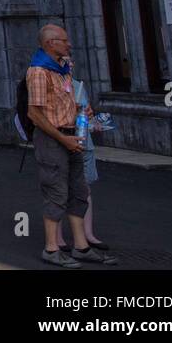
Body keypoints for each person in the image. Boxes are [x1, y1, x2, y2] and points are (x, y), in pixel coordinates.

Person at [27, 24, 118, 268]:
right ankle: (51, 247)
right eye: (64, 41)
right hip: (53, 139)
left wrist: (81, 110)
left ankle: (81, 246)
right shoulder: (39, 71)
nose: (69, 44)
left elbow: (63, 101)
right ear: (50, 44)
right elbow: (34, 114)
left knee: (79, 191)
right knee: (56, 191)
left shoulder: (63, 70)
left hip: (73, 137)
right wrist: (61, 137)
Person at [60, 73, 113, 253]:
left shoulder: (79, 85)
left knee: (85, 190)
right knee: (59, 190)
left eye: (70, 61)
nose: (69, 64)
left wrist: (92, 120)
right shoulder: (51, 85)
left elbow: (86, 114)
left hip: (84, 143)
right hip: (62, 143)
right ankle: (58, 239)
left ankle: (88, 234)